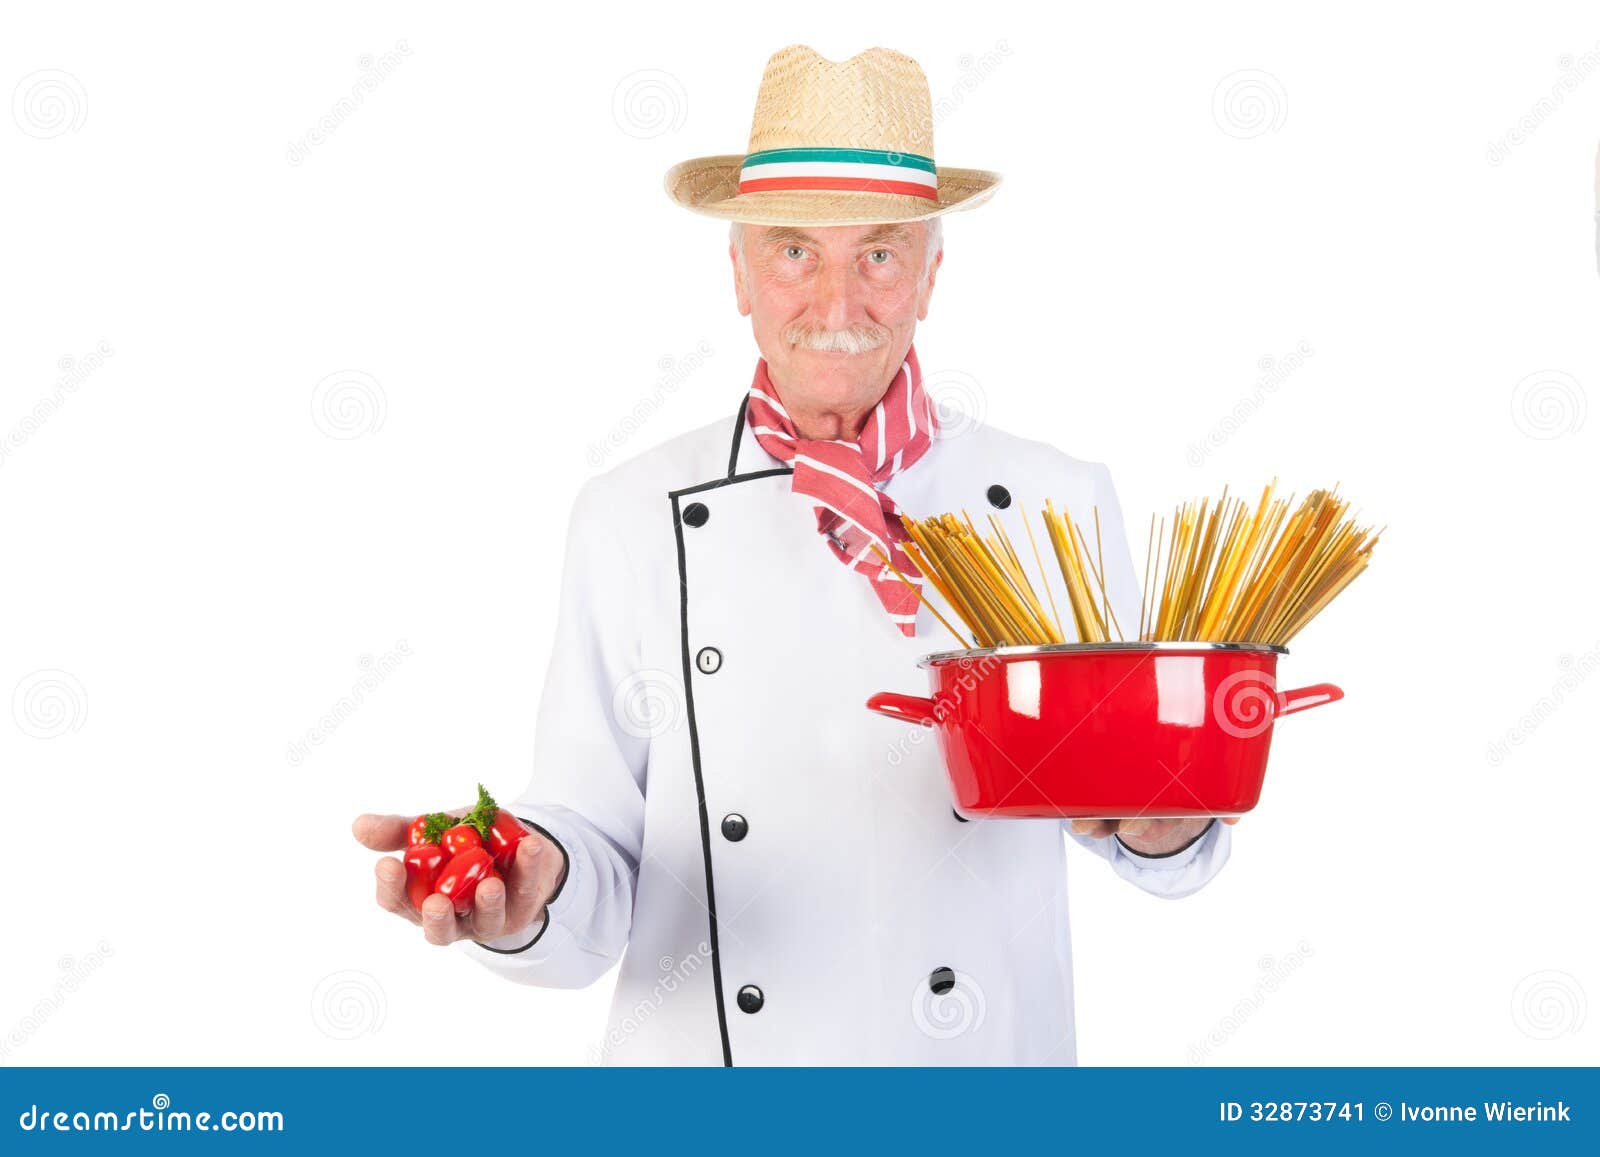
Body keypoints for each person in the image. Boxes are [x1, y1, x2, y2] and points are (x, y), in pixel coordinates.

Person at [353, 43, 1234, 1065]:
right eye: (792, 251)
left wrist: (1164, 823)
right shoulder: (629, 514)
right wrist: (532, 882)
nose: (837, 303)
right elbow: (585, 866)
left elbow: (1152, 831)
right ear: (737, 272)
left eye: (878, 253)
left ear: (931, 274)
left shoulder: (1054, 502)